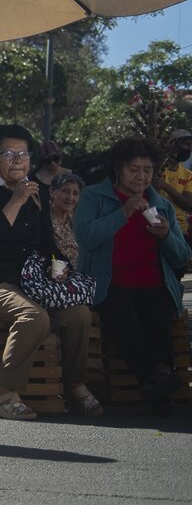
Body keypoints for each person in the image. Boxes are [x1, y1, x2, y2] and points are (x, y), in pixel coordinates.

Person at [0, 124, 100, 420]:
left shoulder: (38, 193)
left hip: (31, 281)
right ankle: (2, 394)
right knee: (33, 316)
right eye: (9, 153)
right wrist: (17, 199)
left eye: (23, 153)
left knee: (79, 314)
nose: (18, 160)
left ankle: (75, 384)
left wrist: (59, 268)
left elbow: (48, 244)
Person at [75, 137, 189, 415]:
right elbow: (85, 238)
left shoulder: (160, 204)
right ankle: (161, 384)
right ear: (118, 169)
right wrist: (122, 213)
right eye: (134, 169)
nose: (141, 176)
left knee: (157, 323)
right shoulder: (93, 196)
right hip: (110, 282)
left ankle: (157, 385)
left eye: (147, 170)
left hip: (154, 282)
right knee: (127, 325)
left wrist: (166, 238)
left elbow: (182, 257)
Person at [156, 129, 192, 249]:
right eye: (186, 144)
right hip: (158, 227)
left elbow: (188, 205)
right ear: (173, 145)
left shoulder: (188, 175)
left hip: (181, 230)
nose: (188, 149)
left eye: (191, 146)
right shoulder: (158, 169)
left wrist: (165, 186)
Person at [48, 172, 84, 267]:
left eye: (75, 193)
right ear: (52, 191)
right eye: (65, 191)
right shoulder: (42, 216)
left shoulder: (78, 218)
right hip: (54, 271)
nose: (71, 198)